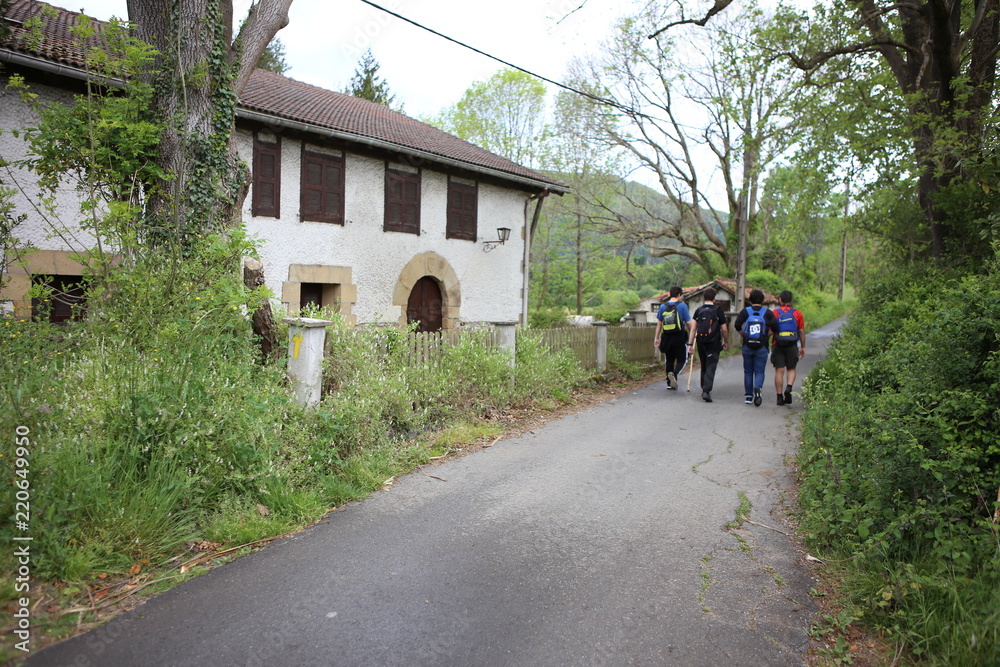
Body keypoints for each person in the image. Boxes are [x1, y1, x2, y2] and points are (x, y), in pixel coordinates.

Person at [734, 289, 778, 407]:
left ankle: (748, 396)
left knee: (748, 371)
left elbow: (737, 324)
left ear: (750, 300)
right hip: (761, 346)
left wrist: (743, 335)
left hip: (747, 345)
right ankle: (758, 388)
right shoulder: (767, 312)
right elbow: (775, 327)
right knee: (759, 371)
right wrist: (766, 336)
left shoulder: (745, 311)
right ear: (762, 300)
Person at [688, 288, 728, 403]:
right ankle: (706, 390)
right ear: (714, 298)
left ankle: (703, 387)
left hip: (701, 341)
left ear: (703, 297)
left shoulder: (699, 310)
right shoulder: (718, 310)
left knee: (704, 364)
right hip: (714, 342)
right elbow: (724, 329)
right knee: (711, 365)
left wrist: (690, 344)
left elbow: (693, 329)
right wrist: (726, 341)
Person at [653, 286, 694, 391]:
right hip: (679, 336)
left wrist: (656, 338)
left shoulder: (663, 306)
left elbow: (659, 324)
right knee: (682, 359)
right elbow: (688, 322)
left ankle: (669, 382)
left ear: (670, 294)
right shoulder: (682, 306)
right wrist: (693, 333)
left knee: (669, 359)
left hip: (666, 337)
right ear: (679, 295)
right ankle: (674, 375)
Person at [771, 290, 806, 406]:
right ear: (791, 300)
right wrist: (803, 346)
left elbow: (770, 330)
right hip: (792, 344)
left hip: (778, 344)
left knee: (779, 370)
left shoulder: (775, 313)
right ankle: (789, 387)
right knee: (791, 368)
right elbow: (801, 331)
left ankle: (779, 397)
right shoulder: (797, 314)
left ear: (780, 300)